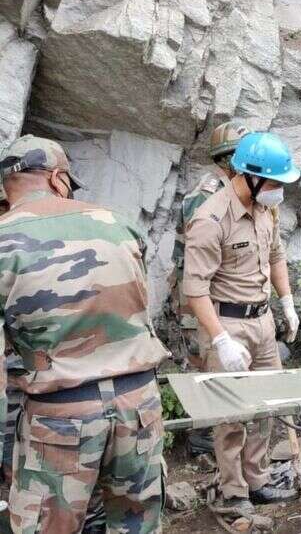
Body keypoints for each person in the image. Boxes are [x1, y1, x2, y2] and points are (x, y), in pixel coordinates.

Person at [0, 135, 170, 533]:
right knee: (137, 526)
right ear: (59, 179)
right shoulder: (118, 223)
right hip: (140, 405)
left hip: (61, 419)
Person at [182, 132, 301, 514]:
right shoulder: (209, 218)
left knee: (267, 406)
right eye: (274, 183)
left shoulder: (267, 210)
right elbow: (195, 290)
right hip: (227, 325)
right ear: (249, 175)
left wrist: (287, 303)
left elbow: (277, 256)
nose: (279, 190)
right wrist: (219, 341)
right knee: (231, 415)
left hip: (262, 321)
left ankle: (258, 479)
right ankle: (233, 492)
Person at [168, 121, 251, 457]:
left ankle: (218, 428)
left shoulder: (233, 190)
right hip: (197, 293)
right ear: (228, 160)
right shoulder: (206, 196)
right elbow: (200, 261)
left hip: (217, 292)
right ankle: (200, 434)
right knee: (200, 359)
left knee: (218, 359)